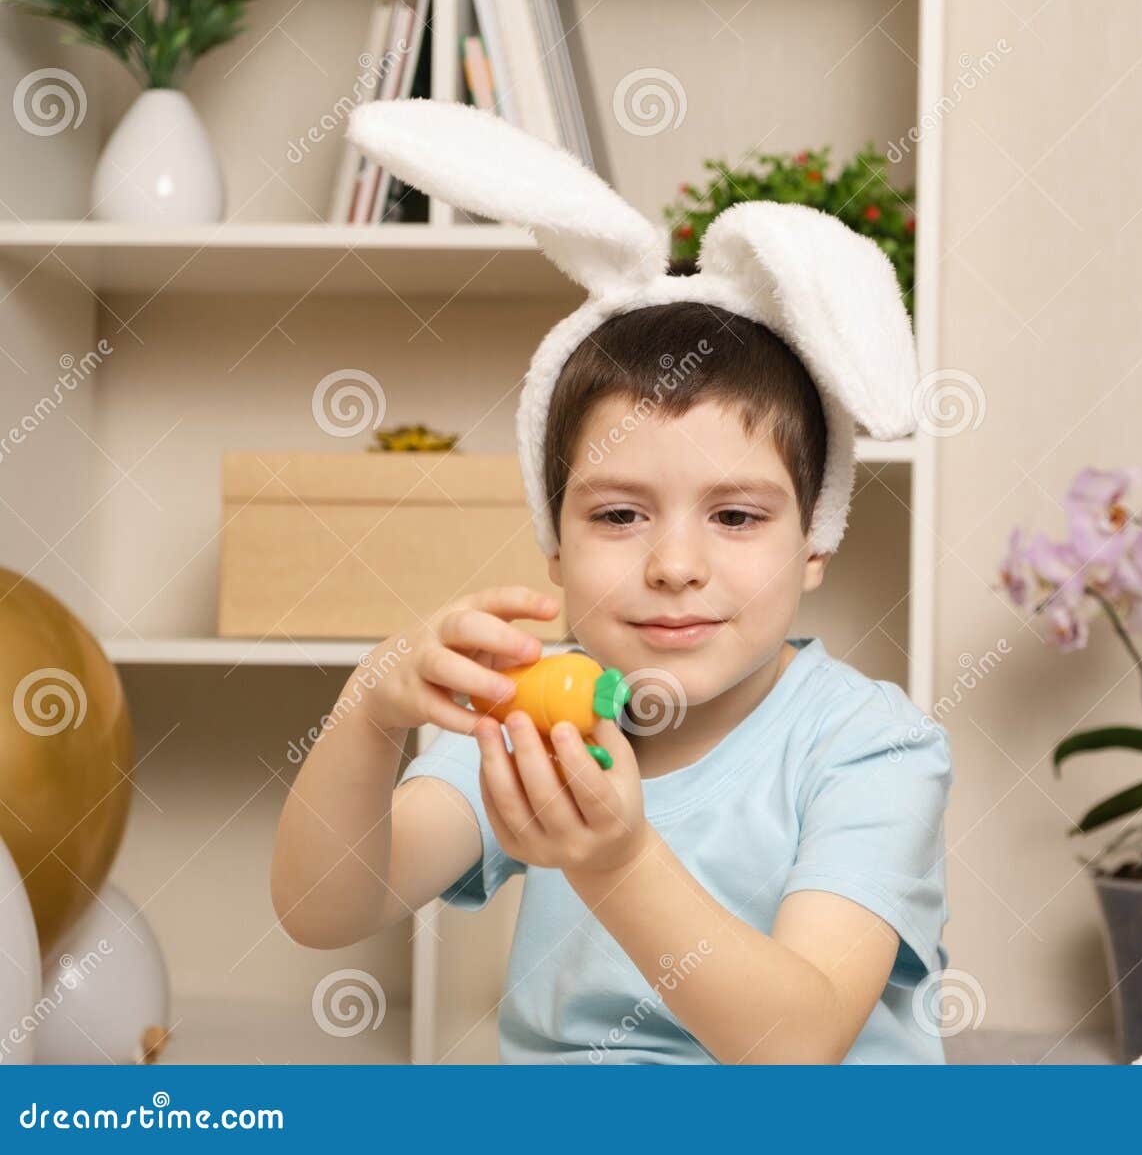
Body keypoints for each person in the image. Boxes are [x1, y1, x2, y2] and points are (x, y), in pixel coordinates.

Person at [270, 298, 953, 1064]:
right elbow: (321, 908)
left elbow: (798, 1045)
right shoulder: (535, 712)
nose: (674, 566)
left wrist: (617, 864)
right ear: (554, 545)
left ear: (815, 544)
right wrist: (367, 714)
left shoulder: (873, 746)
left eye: (734, 517)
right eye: (621, 514)